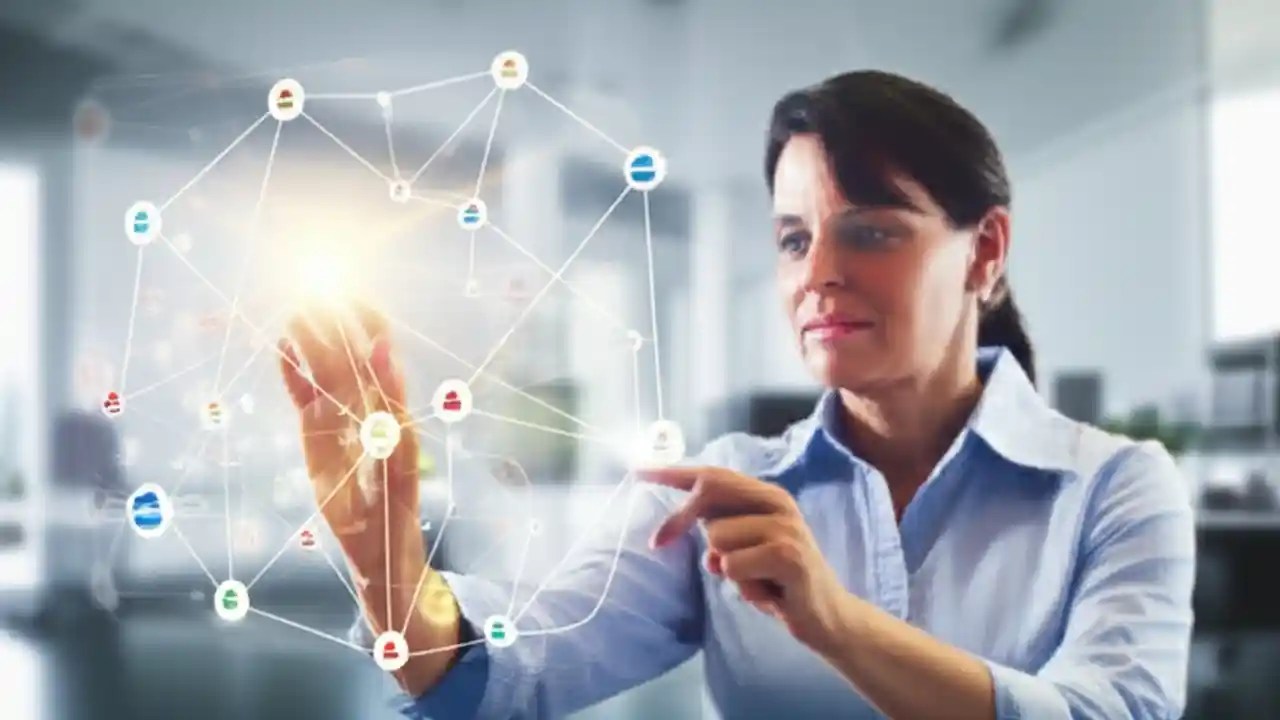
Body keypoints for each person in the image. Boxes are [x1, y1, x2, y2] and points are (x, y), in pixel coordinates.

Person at [278, 70, 1196, 719]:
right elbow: (517, 676)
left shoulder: (1115, 488)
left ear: (985, 252)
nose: (818, 277)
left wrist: (835, 624)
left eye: (872, 233)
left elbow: (1108, 712)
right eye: (795, 240)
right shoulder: (721, 493)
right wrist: (386, 562)